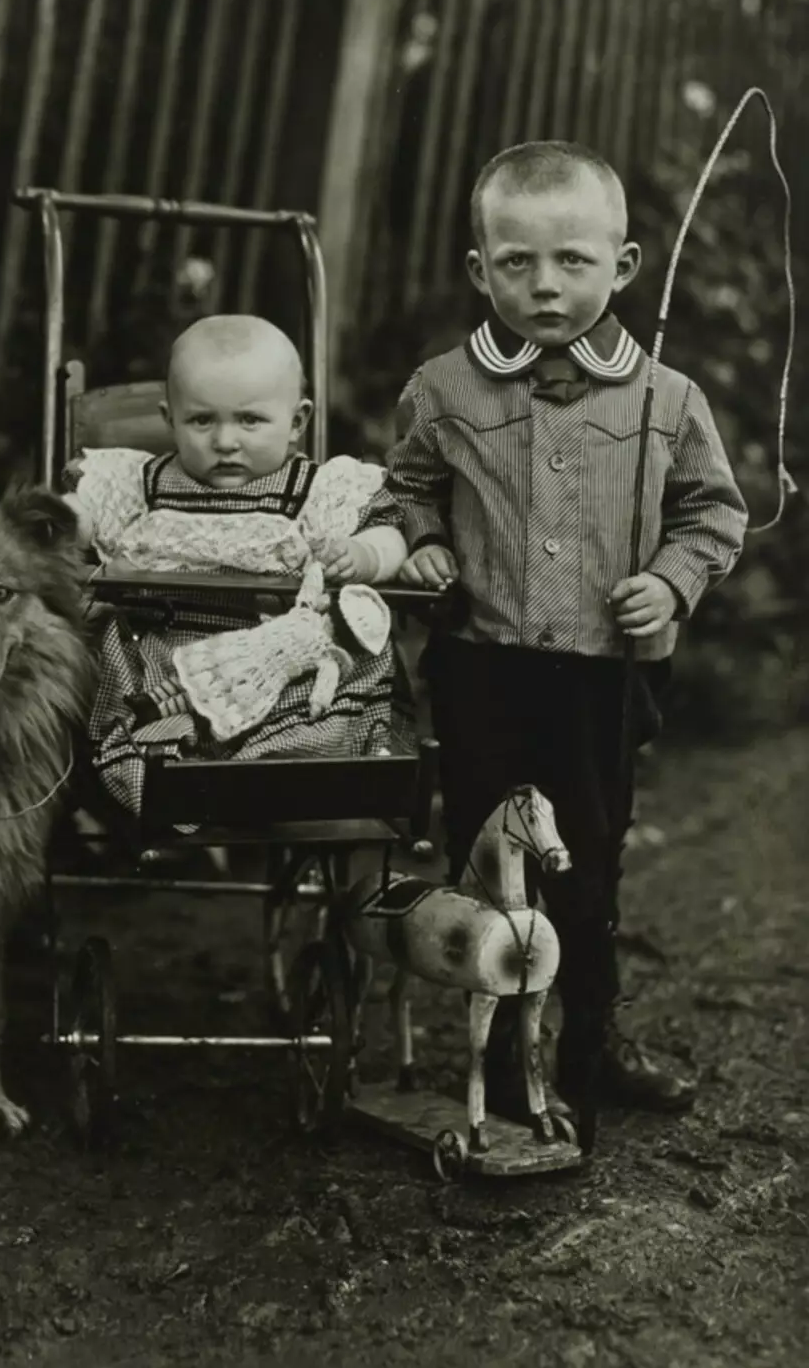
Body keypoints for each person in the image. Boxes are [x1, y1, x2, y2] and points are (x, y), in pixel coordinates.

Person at [387, 140, 747, 1119]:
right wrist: (420, 544)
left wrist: (671, 585)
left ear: (622, 266)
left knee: (585, 866)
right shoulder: (442, 391)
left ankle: (591, 1045)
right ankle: (499, 1058)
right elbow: (408, 488)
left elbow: (714, 513)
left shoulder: (667, 401)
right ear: (480, 268)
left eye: (573, 261)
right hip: (481, 668)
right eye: (517, 262)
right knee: (483, 862)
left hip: (601, 674)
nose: (544, 286)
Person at [63, 314, 408, 831]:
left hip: (274, 652)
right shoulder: (140, 484)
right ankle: (176, 784)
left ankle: (261, 776)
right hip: (166, 654)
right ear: (170, 418)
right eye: (202, 421)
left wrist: (362, 554)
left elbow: (390, 532)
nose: (225, 441)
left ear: (296, 422)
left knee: (326, 689)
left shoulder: (317, 491)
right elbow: (77, 516)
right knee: (128, 689)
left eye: (250, 421)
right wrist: (66, 525)